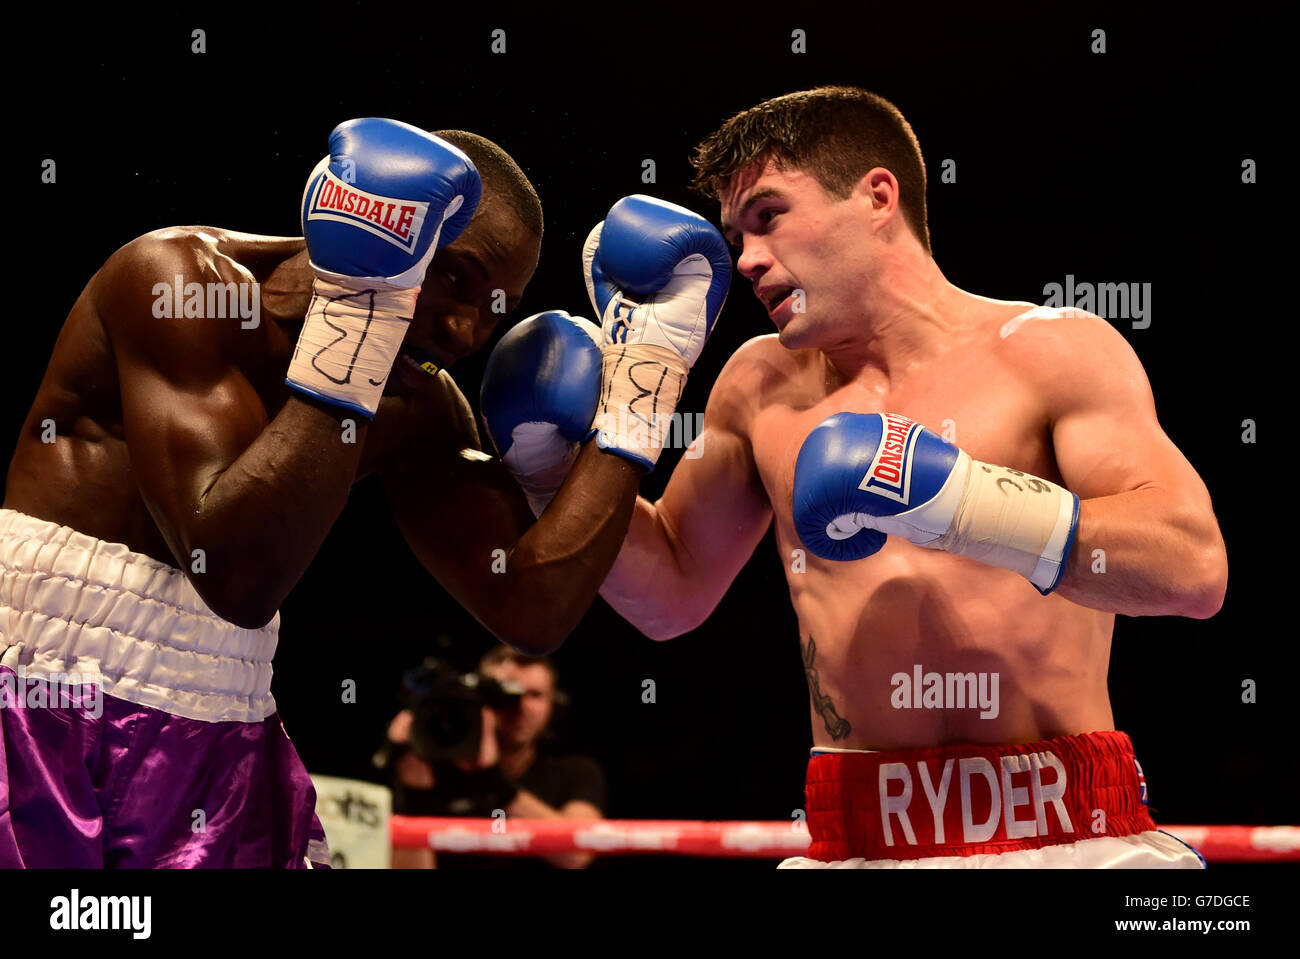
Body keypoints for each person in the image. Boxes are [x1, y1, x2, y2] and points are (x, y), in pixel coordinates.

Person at [517, 87, 1229, 867]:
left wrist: (961, 501)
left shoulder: (1051, 350)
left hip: (1066, 835)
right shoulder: (759, 385)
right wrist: (555, 465)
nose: (746, 258)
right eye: (734, 235)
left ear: (877, 196)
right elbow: (672, 595)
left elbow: (1191, 569)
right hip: (857, 840)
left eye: (768, 216)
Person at [0, 118, 727, 868]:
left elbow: (531, 605)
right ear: (378, 229)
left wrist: (644, 387)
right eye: (456, 277)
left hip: (218, 715)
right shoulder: (181, 284)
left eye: (495, 307)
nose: (464, 327)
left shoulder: (418, 404)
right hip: (37, 694)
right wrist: (360, 320)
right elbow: (234, 572)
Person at [387, 644, 605, 869]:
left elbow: (579, 853)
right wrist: (416, 797)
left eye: (535, 695)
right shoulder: (433, 771)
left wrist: (491, 779)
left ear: (554, 705)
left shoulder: (576, 772)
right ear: (477, 698)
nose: (520, 706)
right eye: (507, 693)